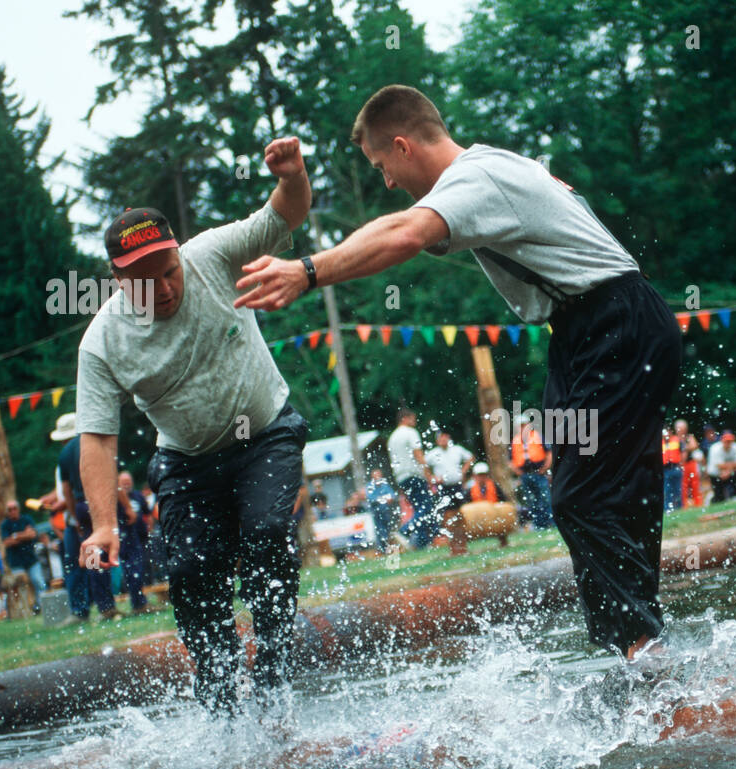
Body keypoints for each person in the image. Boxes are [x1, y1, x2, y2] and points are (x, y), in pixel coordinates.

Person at [233, 85, 682, 661]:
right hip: (589, 332)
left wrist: (307, 271)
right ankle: (644, 645)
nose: (388, 183)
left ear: (402, 145)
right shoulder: (494, 169)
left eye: (381, 167)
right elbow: (401, 227)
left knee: (583, 498)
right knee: (615, 492)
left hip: (613, 325)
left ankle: (645, 652)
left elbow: (404, 233)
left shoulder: (478, 175)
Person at [76, 135, 312, 715]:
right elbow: (98, 437)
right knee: (189, 573)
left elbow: (285, 213)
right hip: (186, 461)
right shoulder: (102, 342)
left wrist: (292, 176)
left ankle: (275, 678)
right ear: (116, 279)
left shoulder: (212, 254)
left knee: (264, 534)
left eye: (168, 271)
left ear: (180, 253)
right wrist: (104, 524)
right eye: (144, 281)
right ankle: (221, 714)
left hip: (265, 435)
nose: (163, 288)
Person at [55, 422, 119, 623]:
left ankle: (81, 610)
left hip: (81, 508)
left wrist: (74, 516)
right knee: (95, 559)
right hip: (95, 504)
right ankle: (105, 607)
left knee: (82, 560)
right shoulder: (91, 444)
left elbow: (67, 491)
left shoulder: (64, 453)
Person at [388, 408, 437, 549]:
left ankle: (422, 543)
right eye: (412, 419)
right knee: (426, 507)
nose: (414, 422)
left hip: (401, 477)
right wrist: (428, 475)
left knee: (418, 509)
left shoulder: (392, 437)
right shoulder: (410, 433)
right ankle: (404, 531)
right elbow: (418, 454)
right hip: (414, 474)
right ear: (405, 419)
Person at [428, 429, 474, 554]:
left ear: (448, 438)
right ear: (437, 440)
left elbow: (470, 457)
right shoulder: (433, 453)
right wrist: (432, 478)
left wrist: (463, 471)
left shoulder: (456, 450)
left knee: (459, 514)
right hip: (444, 487)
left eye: (444, 437)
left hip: (457, 485)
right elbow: (423, 465)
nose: (443, 440)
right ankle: (453, 546)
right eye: (440, 438)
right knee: (447, 516)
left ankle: (463, 544)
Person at [115, 471, 150, 614]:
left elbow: (147, 514)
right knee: (132, 569)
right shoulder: (117, 498)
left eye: (128, 481)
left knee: (141, 569)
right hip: (125, 538)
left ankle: (140, 601)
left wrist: (149, 529)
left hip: (140, 537)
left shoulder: (138, 496)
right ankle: (138, 603)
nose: (126, 484)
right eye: (123, 482)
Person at [511, 418, 554, 530]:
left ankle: (551, 522)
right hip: (525, 475)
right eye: (520, 425)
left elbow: (549, 453)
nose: (522, 427)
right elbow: (510, 460)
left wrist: (545, 468)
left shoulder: (538, 436)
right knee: (531, 500)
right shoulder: (515, 440)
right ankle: (539, 524)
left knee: (545, 498)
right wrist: (518, 472)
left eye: (524, 425)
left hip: (539, 473)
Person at [706, 430, 736, 503]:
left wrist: (728, 471)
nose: (728, 443)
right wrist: (730, 467)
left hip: (729, 472)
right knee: (719, 498)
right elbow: (719, 465)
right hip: (716, 474)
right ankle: (713, 498)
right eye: (726, 441)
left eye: (730, 441)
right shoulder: (715, 448)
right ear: (722, 441)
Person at [366, 469, 398, 553]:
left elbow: (392, 495)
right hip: (376, 511)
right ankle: (382, 549)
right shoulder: (370, 486)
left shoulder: (385, 485)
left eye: (379, 476)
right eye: (375, 476)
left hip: (386, 511)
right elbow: (371, 498)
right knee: (380, 530)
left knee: (388, 529)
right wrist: (384, 498)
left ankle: (390, 547)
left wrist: (389, 498)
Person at [676, 420, 703, 506]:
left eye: (683, 428)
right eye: (680, 428)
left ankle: (698, 503)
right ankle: (684, 505)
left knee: (695, 483)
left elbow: (694, 446)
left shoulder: (689, 437)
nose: (681, 430)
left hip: (691, 463)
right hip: (681, 465)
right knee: (683, 486)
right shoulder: (675, 439)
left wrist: (685, 448)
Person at [661, 427, 683, 511]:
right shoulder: (660, 443)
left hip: (675, 468)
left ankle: (679, 508)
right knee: (667, 490)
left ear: (670, 432)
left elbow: (683, 452)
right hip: (665, 469)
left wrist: (681, 465)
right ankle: (668, 509)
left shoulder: (676, 440)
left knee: (677, 489)